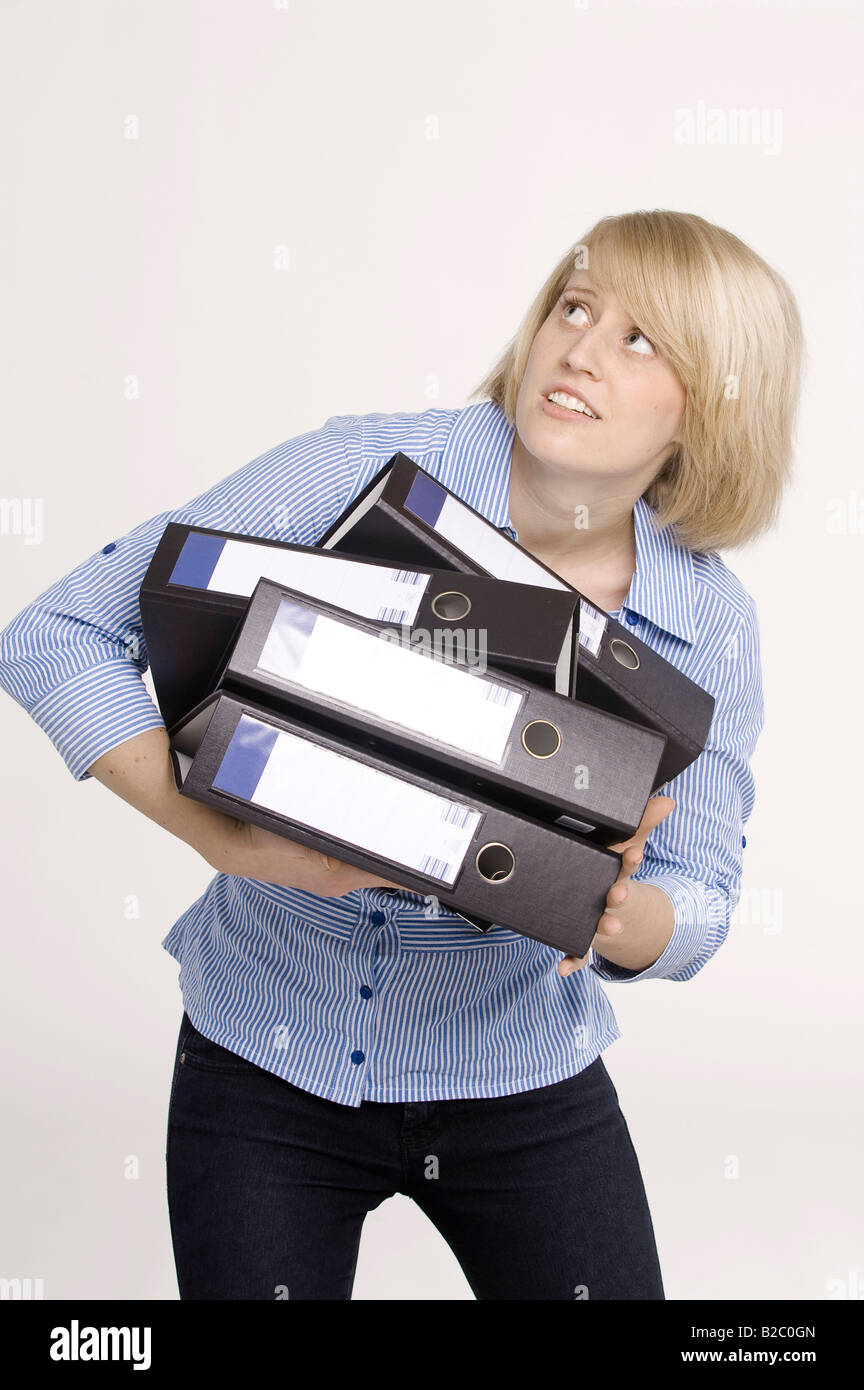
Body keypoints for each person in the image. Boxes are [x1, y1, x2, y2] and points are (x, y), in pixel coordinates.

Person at [0, 208, 803, 1301]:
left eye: (639, 339)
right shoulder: (356, 468)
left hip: (520, 1072)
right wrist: (233, 845)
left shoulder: (707, 625)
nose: (577, 347)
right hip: (263, 1054)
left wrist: (626, 916)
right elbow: (54, 634)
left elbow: (700, 892)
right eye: (573, 307)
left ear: (709, 406)